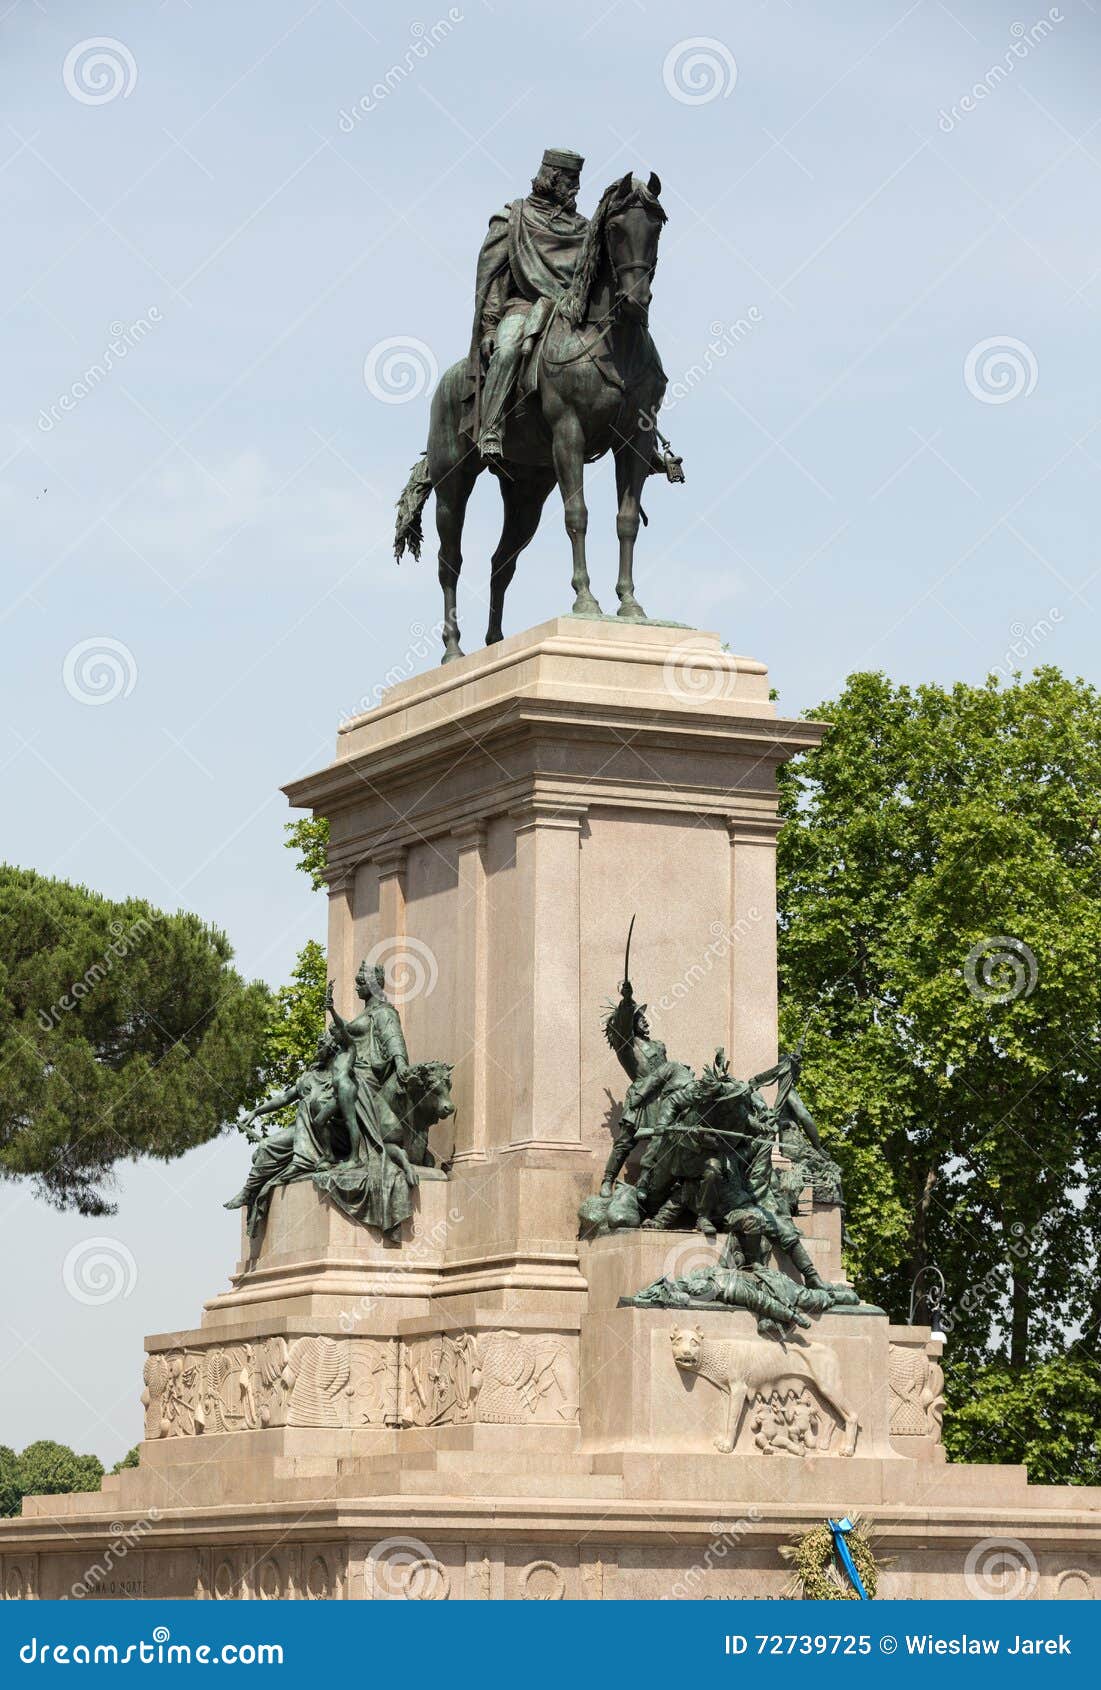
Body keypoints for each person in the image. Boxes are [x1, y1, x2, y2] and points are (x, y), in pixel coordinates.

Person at [465, 147, 588, 462]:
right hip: (523, 308)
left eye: (578, 179)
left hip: (570, 312)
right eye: (570, 179)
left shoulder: (584, 229)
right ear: (552, 178)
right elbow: (492, 278)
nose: (576, 187)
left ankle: (640, 437)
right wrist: (490, 326)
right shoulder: (513, 217)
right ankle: (491, 427)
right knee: (507, 352)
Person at [224, 1029, 345, 1240]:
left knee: (312, 1106)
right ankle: (248, 1191)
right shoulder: (309, 1076)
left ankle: (317, 1157)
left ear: (333, 1047)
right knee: (265, 1147)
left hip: (332, 1133)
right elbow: (284, 1098)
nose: (317, 1049)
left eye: (321, 1044)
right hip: (303, 1130)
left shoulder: (342, 1076)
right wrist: (256, 1111)